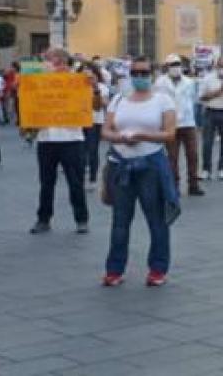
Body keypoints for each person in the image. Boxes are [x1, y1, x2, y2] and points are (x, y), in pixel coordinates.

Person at [101, 56, 178, 287]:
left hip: (151, 164)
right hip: (121, 163)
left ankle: (158, 269)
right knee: (120, 220)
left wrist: (143, 136)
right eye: (135, 73)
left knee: (156, 220)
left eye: (144, 73)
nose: (140, 77)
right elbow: (106, 130)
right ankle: (114, 270)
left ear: (152, 75)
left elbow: (170, 133)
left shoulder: (163, 100)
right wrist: (120, 138)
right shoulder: (119, 99)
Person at [29, 48, 91, 234]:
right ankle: (43, 219)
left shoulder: (77, 80)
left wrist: (92, 85)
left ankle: (81, 219)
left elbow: (90, 104)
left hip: (72, 139)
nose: (44, 63)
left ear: (61, 61)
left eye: (48, 59)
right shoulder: (39, 81)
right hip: (46, 138)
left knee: (75, 182)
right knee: (46, 182)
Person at [154, 54, 204, 197]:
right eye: (172, 65)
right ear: (166, 67)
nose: (175, 67)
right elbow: (157, 102)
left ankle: (193, 185)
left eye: (177, 64)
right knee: (172, 157)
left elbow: (194, 99)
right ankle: (174, 186)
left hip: (188, 122)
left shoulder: (189, 82)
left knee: (193, 154)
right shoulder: (160, 82)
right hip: (170, 123)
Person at [83, 64, 109, 190]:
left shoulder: (102, 88)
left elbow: (102, 104)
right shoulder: (76, 87)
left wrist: (95, 88)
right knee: (80, 150)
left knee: (92, 150)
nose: (87, 78)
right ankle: (81, 174)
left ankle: (93, 178)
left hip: (95, 121)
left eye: (90, 76)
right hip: (80, 121)